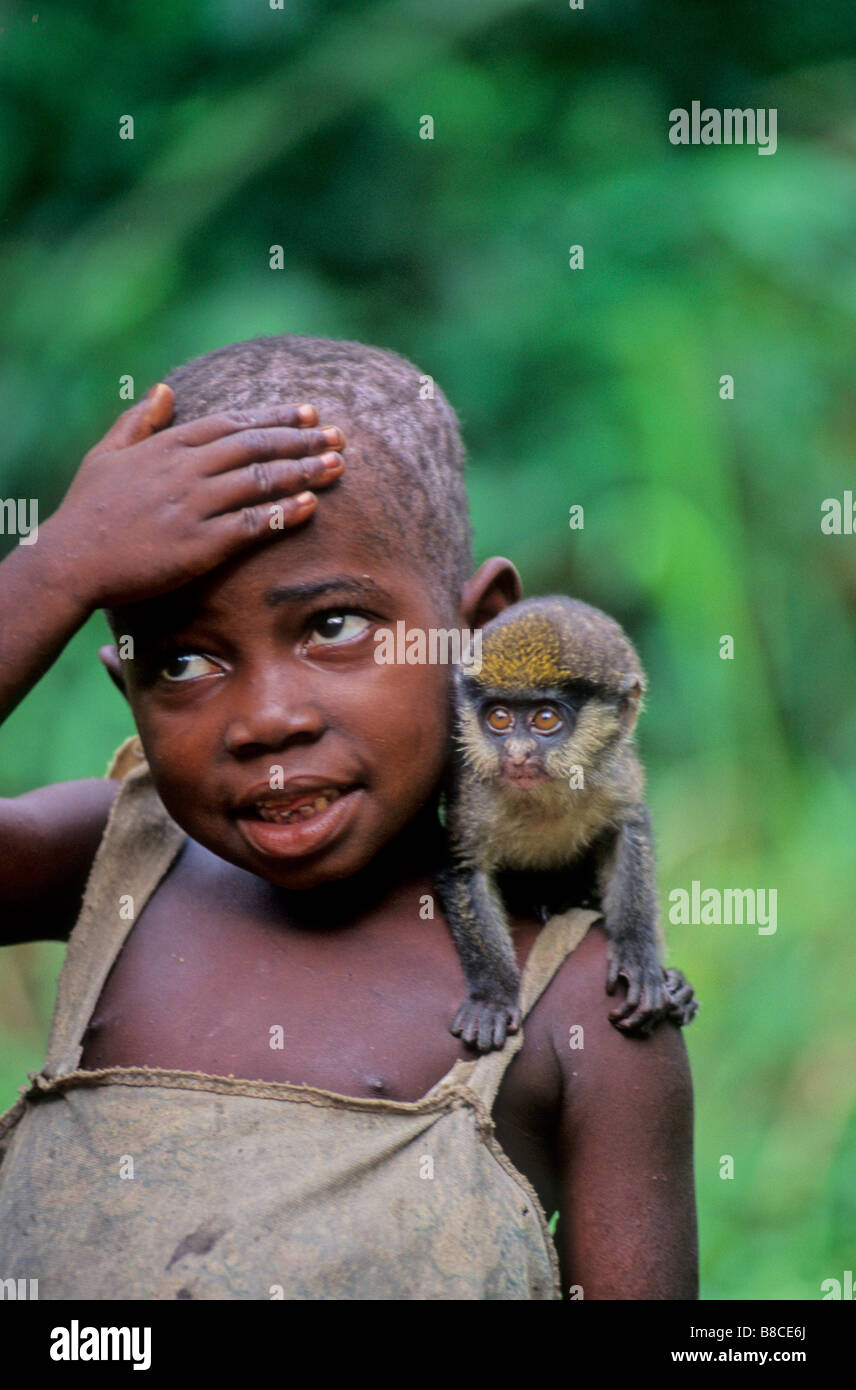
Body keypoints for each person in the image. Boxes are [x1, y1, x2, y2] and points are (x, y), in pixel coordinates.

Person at [0, 334, 697, 1299]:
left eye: (333, 626)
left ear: (478, 636)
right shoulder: (112, 866)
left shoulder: (582, 1007)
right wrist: (51, 572)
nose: (267, 719)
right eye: (184, 661)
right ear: (129, 688)